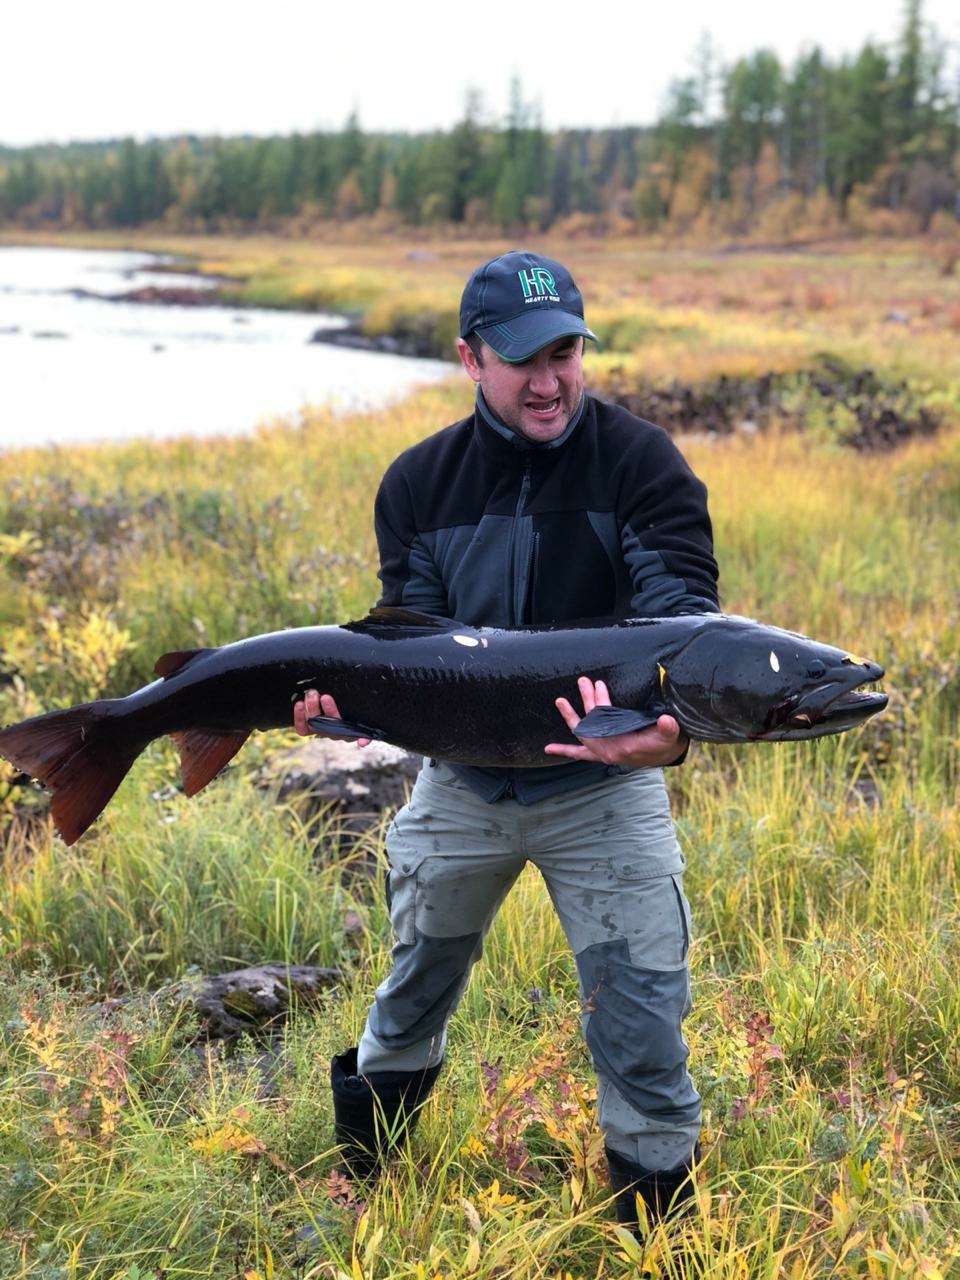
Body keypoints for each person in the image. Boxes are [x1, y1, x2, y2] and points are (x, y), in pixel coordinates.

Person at [293, 250, 720, 1236]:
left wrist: (662, 739)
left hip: (606, 787)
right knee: (411, 993)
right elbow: (412, 651)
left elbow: (685, 631)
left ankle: (658, 1240)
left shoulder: (644, 464)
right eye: (523, 356)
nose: (549, 378)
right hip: (465, 784)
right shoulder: (418, 483)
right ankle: (372, 1189)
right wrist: (349, 707)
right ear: (469, 357)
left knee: (644, 1020)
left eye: (567, 349)